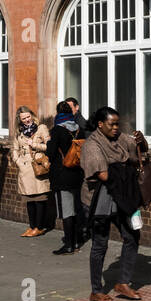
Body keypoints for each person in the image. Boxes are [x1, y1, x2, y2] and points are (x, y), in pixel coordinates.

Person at [81, 107, 148, 301]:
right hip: (98, 200)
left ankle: (123, 283)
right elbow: (104, 175)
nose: (116, 128)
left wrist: (140, 141)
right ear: (100, 124)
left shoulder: (119, 138)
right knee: (100, 244)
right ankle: (96, 290)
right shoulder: (91, 145)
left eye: (118, 124)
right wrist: (126, 170)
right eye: (112, 124)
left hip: (121, 197)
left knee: (132, 236)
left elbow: (139, 150)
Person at [47, 100, 85, 255]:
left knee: (66, 211)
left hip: (62, 175)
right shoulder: (79, 129)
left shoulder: (57, 130)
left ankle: (69, 244)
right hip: (77, 173)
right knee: (75, 208)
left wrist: (48, 144)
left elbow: (50, 153)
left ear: (58, 113)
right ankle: (76, 240)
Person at [11, 105, 53, 237]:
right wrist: (18, 162)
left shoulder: (41, 128)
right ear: (20, 119)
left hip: (37, 167)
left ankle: (39, 227)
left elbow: (49, 146)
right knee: (29, 199)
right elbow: (14, 149)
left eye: (28, 117)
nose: (27, 120)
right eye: (24, 118)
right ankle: (32, 226)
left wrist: (34, 144)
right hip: (25, 169)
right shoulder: (18, 131)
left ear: (32, 115)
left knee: (39, 198)